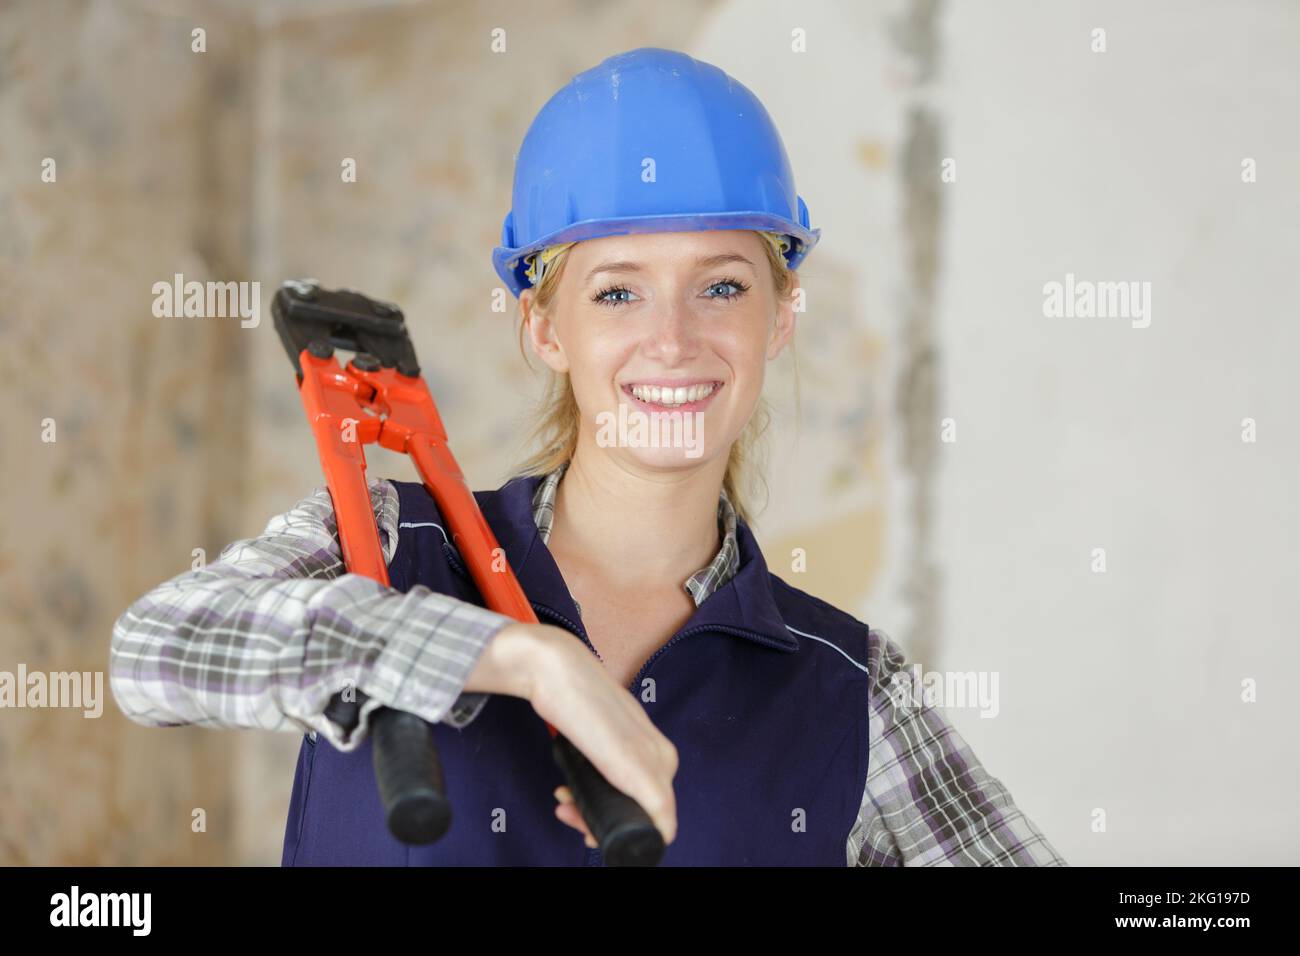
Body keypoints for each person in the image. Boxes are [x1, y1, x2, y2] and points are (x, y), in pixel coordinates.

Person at [110, 47, 1065, 866]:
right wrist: (523, 661)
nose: (674, 341)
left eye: (722, 287)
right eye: (617, 293)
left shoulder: (850, 690)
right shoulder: (393, 545)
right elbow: (155, 652)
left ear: (780, 319)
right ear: (543, 327)